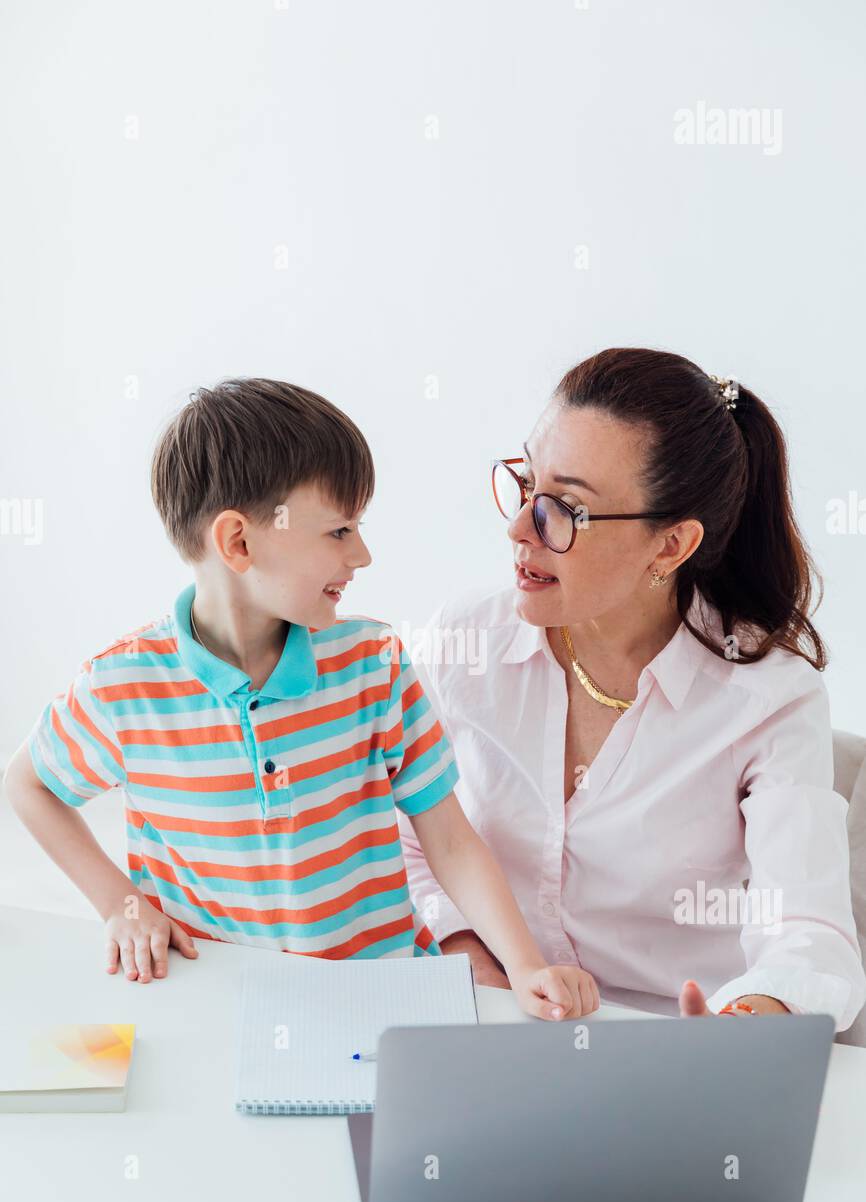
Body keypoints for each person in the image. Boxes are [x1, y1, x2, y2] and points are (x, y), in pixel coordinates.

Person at [3, 377, 597, 1021]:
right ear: (238, 542)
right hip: (219, 1006)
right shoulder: (122, 688)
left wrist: (523, 964)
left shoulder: (375, 666)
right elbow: (30, 786)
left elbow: (449, 839)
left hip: (384, 995)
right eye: (339, 531)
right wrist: (122, 906)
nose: (362, 554)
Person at [399, 347, 866, 1030]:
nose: (519, 527)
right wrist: (466, 949)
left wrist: (752, 1014)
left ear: (670, 546)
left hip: (674, 1045)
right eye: (527, 485)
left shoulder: (769, 697)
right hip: (492, 1019)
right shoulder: (464, 641)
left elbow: (809, 934)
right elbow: (404, 828)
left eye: (566, 509)